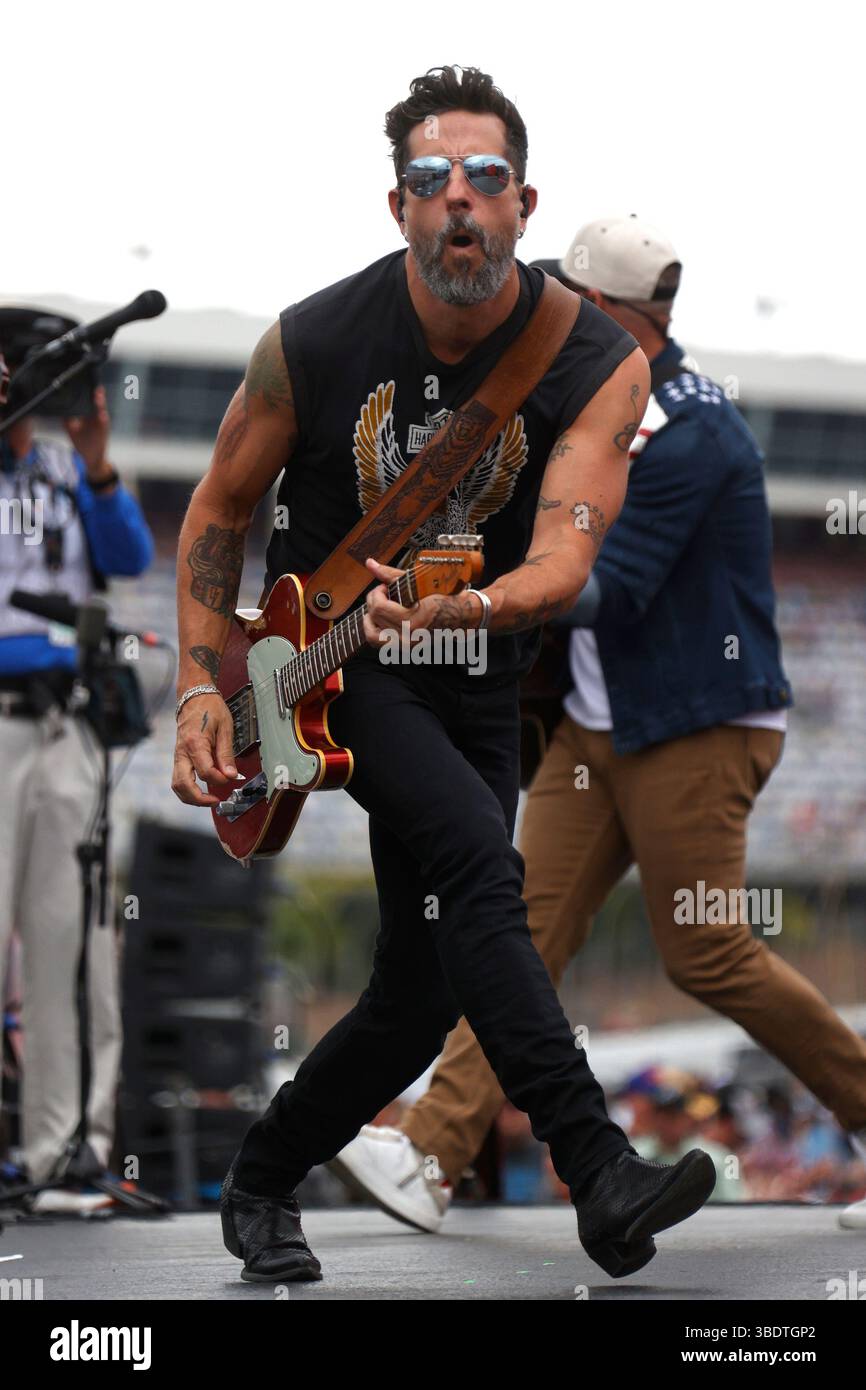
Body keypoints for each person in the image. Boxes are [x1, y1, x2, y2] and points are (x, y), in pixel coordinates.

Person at [171, 66, 716, 1285]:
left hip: (476, 667)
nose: (455, 200)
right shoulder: (309, 341)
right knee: (481, 863)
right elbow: (217, 512)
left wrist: (474, 601)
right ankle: (598, 1170)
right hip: (332, 663)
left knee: (418, 995)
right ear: (395, 206)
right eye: (429, 179)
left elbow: (566, 557)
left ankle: (261, 1177)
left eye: (480, 179)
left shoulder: (593, 360)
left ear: (523, 204)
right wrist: (204, 689)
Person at [332, 214, 866, 1236]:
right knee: (514, 927)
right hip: (603, 719)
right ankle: (431, 1155)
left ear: (622, 316)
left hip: (694, 724)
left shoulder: (693, 433)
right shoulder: (614, 402)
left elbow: (603, 589)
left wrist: (474, 590)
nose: (553, 313)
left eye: (571, 298)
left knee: (705, 947)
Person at [0, 309, 154, 1208]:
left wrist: (96, 457)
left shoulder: (66, 470)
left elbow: (130, 555)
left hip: (68, 730)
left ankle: (62, 1152)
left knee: (69, 948)